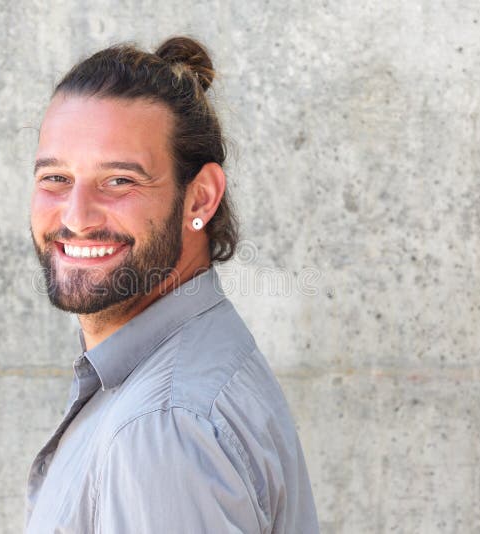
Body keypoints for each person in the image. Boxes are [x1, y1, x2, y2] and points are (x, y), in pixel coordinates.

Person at [26, 35, 319, 533]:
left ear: (200, 199)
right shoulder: (180, 381)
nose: (76, 217)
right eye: (55, 178)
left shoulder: (163, 428)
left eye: (119, 181)